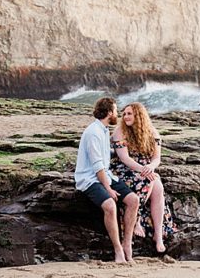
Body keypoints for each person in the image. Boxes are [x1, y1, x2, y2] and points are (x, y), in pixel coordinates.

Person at [74, 97, 139, 263]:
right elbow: (97, 167)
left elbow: (105, 159)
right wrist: (108, 189)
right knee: (110, 204)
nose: (117, 114)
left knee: (133, 200)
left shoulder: (103, 130)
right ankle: (117, 250)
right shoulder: (93, 132)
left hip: (106, 175)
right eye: (116, 111)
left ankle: (127, 244)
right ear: (109, 112)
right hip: (89, 179)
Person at [111, 102, 177, 253]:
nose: (126, 116)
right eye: (124, 114)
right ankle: (137, 220)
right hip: (123, 169)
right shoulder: (120, 132)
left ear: (139, 116)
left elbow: (157, 158)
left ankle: (158, 235)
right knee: (149, 179)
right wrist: (143, 170)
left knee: (158, 186)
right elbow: (124, 158)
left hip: (146, 169)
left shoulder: (152, 132)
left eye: (130, 113)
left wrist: (150, 168)